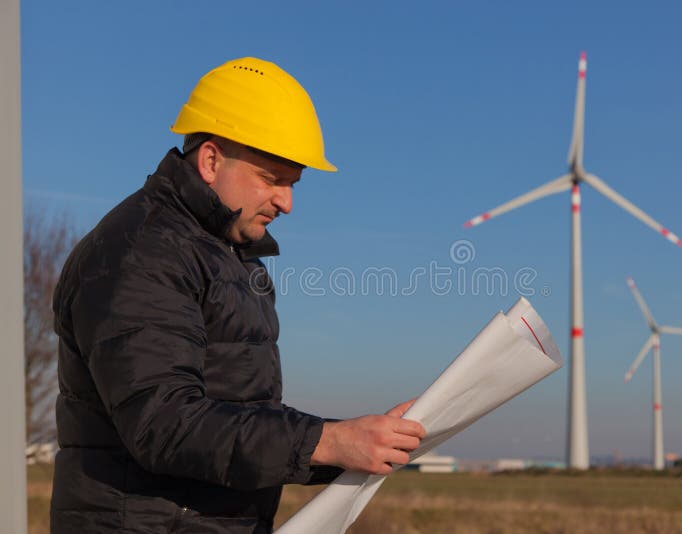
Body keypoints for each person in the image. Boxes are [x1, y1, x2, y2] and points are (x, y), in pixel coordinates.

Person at [50, 57, 426, 533]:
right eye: (272, 179)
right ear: (210, 161)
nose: (287, 202)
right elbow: (164, 423)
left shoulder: (228, 256)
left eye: (293, 184)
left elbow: (241, 420)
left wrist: (357, 442)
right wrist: (327, 441)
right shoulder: (140, 252)